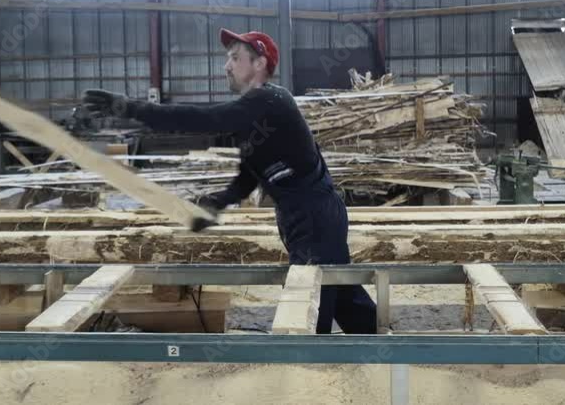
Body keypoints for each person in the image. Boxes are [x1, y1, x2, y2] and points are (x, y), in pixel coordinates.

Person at [82, 29, 377, 335]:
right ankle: (385, 346)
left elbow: (204, 119)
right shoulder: (254, 118)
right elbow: (247, 179)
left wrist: (131, 108)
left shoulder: (271, 99)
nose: (226, 66)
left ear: (259, 64)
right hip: (305, 218)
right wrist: (215, 204)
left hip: (314, 218)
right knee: (344, 296)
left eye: (235, 58)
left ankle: (319, 363)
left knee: (310, 315)